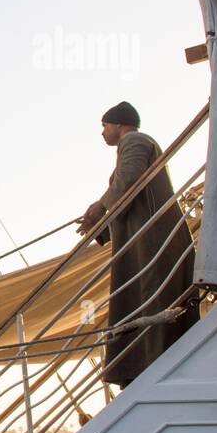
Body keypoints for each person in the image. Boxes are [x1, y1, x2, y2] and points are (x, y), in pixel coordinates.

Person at [75, 102, 199, 386]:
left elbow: (128, 179)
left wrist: (100, 206)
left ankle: (149, 368)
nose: (103, 132)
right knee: (141, 301)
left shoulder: (134, 141)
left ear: (119, 125)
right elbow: (131, 191)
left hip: (151, 243)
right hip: (143, 240)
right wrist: (101, 225)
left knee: (150, 299)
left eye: (105, 126)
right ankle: (142, 366)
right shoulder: (136, 143)